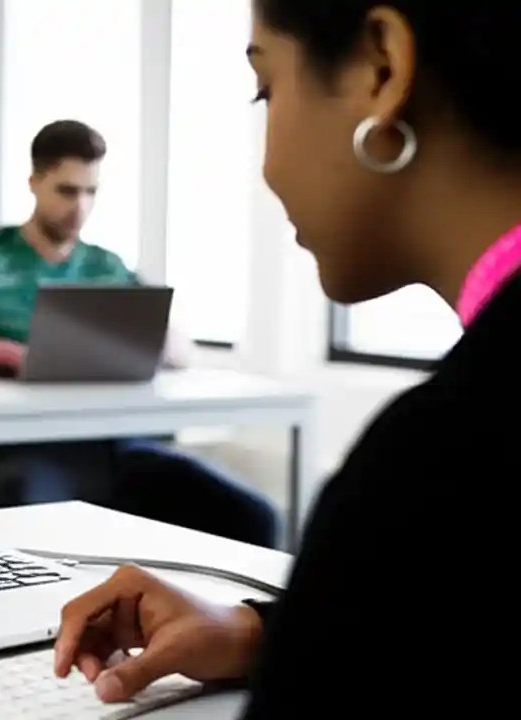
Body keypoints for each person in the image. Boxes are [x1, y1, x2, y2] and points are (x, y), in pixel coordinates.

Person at [54, 2, 517, 716]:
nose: (266, 165)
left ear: (382, 69)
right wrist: (266, 631)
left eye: (265, 90)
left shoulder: (433, 467)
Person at [0, 120, 279, 548]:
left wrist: (163, 342)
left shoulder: (109, 268)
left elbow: (179, 348)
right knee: (33, 508)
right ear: (34, 182)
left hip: (120, 446)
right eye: (66, 190)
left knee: (253, 518)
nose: (79, 206)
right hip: (30, 447)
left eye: (90, 192)